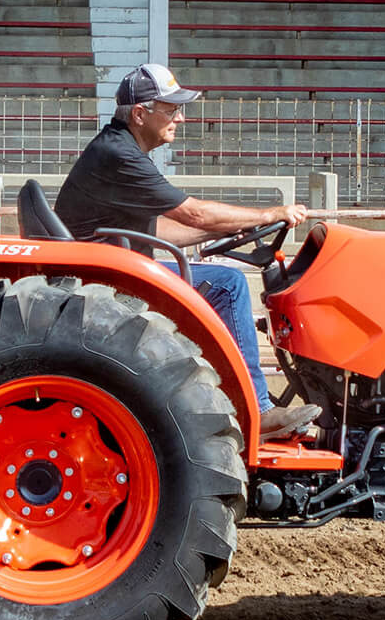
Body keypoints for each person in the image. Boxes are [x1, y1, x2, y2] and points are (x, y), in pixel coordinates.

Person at [53, 63, 323, 439]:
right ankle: (258, 410)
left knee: (222, 278)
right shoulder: (120, 156)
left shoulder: (117, 147)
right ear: (140, 113)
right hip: (109, 277)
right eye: (171, 108)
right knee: (228, 285)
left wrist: (229, 230)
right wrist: (270, 213)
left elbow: (159, 229)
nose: (180, 117)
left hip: (115, 264)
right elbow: (193, 212)